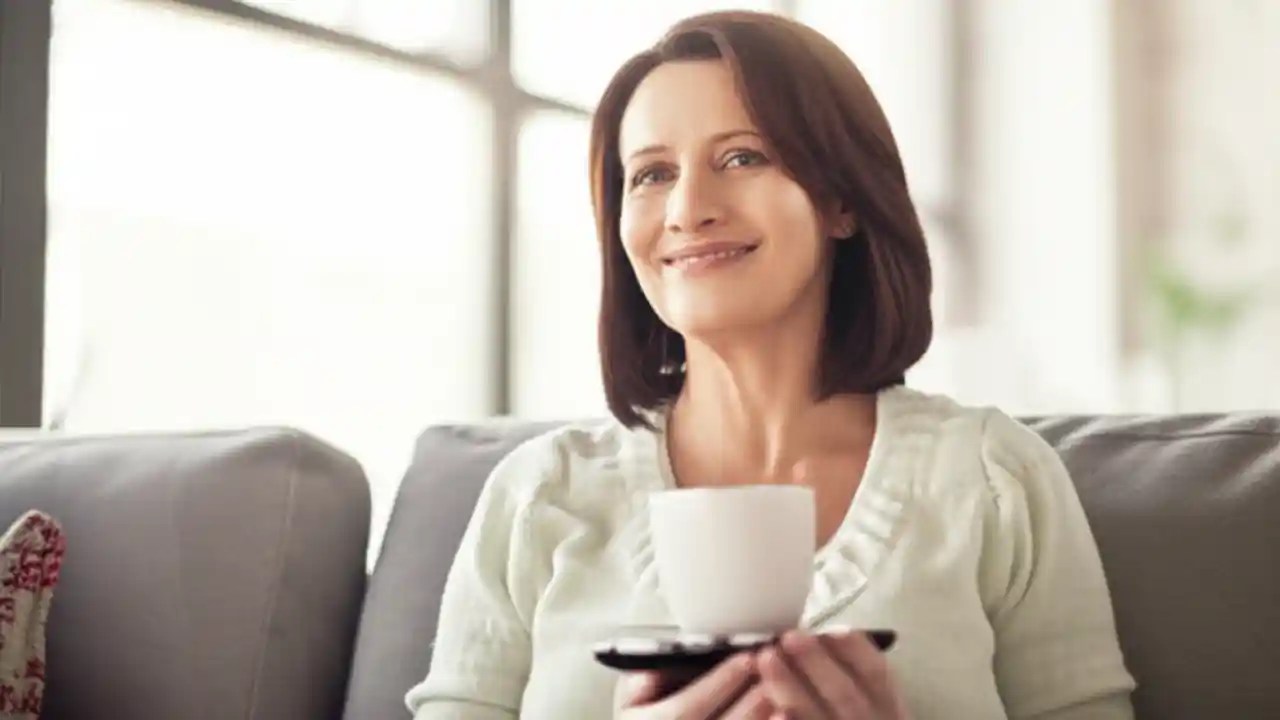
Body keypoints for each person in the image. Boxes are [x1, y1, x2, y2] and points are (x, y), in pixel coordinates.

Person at [407, 10, 1135, 719]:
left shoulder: (994, 479)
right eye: (652, 174)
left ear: (841, 199)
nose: (689, 209)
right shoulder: (539, 496)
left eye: (742, 158)